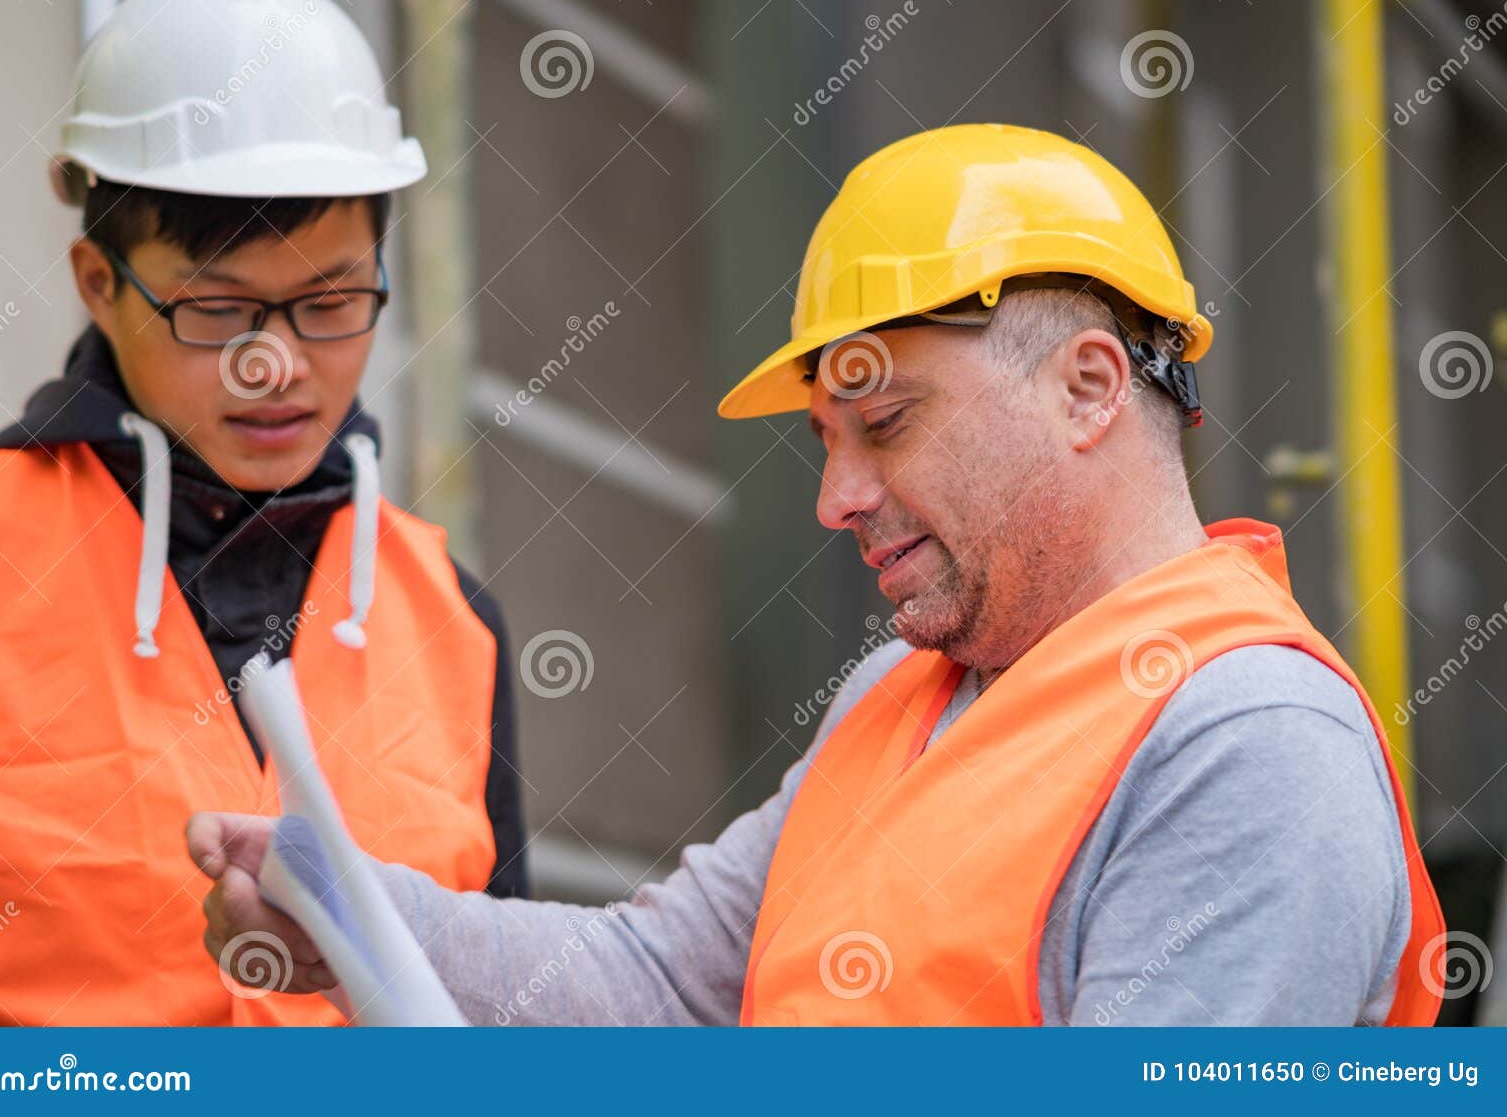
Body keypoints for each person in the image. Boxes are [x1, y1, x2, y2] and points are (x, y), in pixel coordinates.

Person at [191, 124, 1447, 1025]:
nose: (834, 497)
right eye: (825, 441)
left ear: (1086, 388)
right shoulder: (898, 693)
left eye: (886, 424)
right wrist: (354, 918)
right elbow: (670, 983)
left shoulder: (1246, 745)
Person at [0, 0, 525, 1026]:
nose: (274, 364)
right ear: (99, 281)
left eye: (331, 300)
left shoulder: (457, 622)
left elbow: (502, 1000)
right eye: (217, 308)